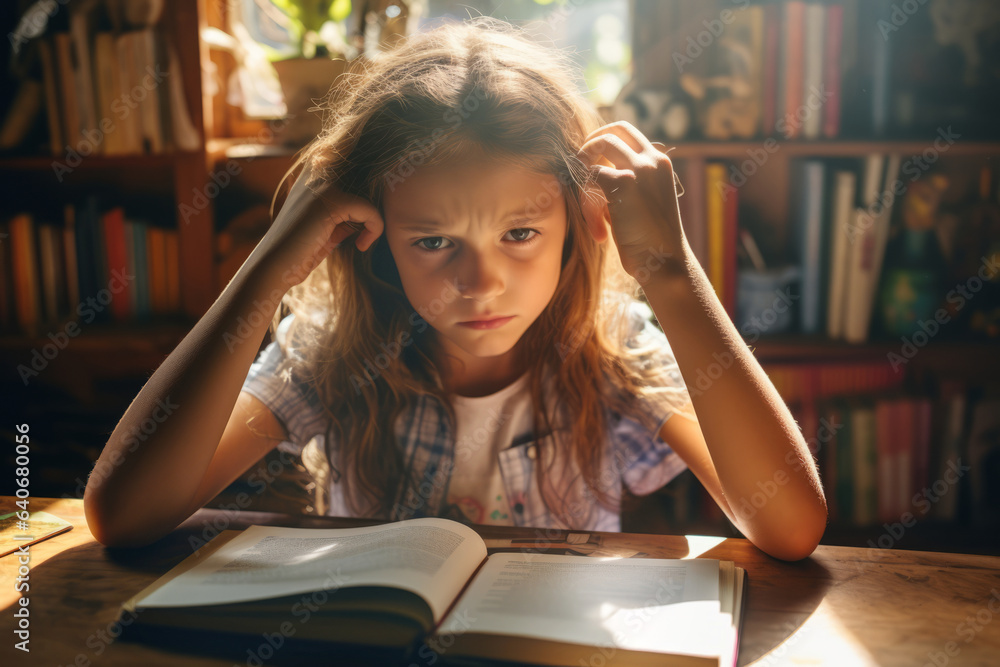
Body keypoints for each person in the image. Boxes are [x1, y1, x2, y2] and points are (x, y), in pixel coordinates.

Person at [83, 17, 827, 560]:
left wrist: (671, 273)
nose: (479, 283)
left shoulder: (614, 349)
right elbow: (124, 514)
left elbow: (789, 526)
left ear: (579, 222)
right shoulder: (335, 353)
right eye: (434, 241)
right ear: (372, 236)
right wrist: (267, 268)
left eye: (520, 233)